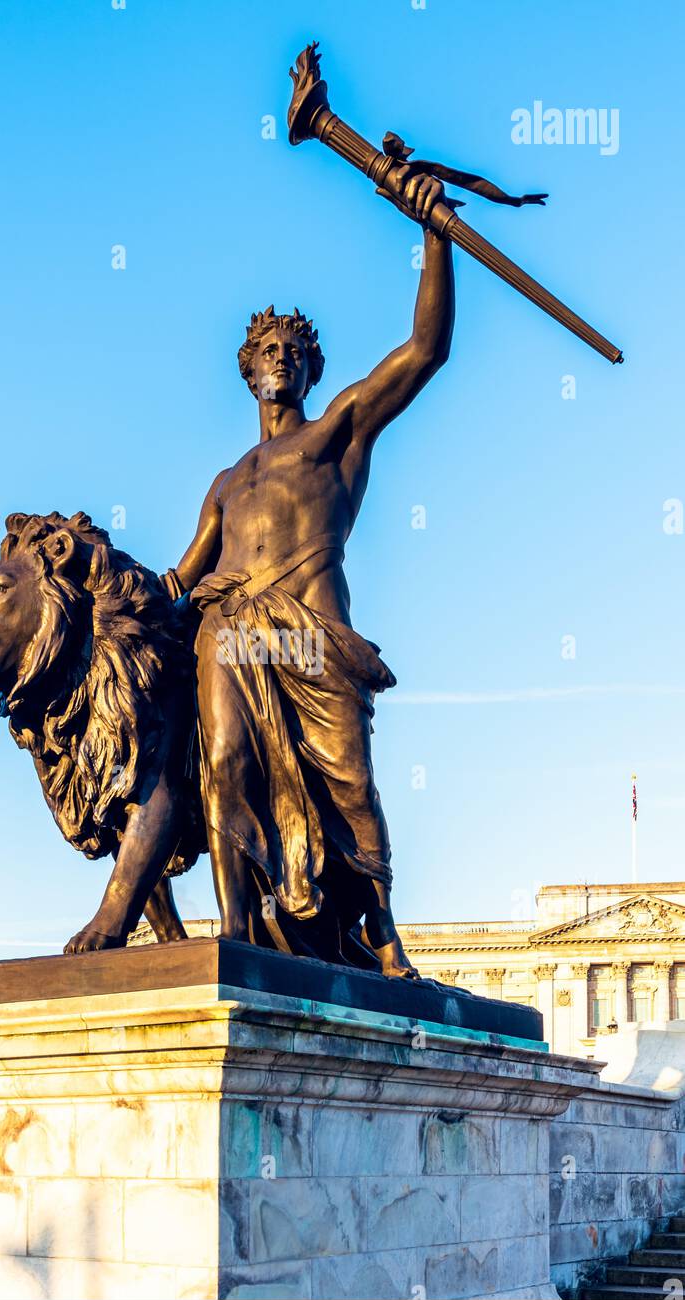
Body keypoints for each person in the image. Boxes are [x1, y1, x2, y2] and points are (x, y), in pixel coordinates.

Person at [168, 170, 454, 977]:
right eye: (268, 350)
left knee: (349, 786)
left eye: (295, 351)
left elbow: (426, 351)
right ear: (247, 368)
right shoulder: (226, 481)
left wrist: (434, 235)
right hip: (230, 635)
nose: (282, 360)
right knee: (222, 764)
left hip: (311, 638)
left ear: (311, 368)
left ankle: (383, 928)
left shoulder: (337, 435)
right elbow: (182, 580)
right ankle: (233, 928)